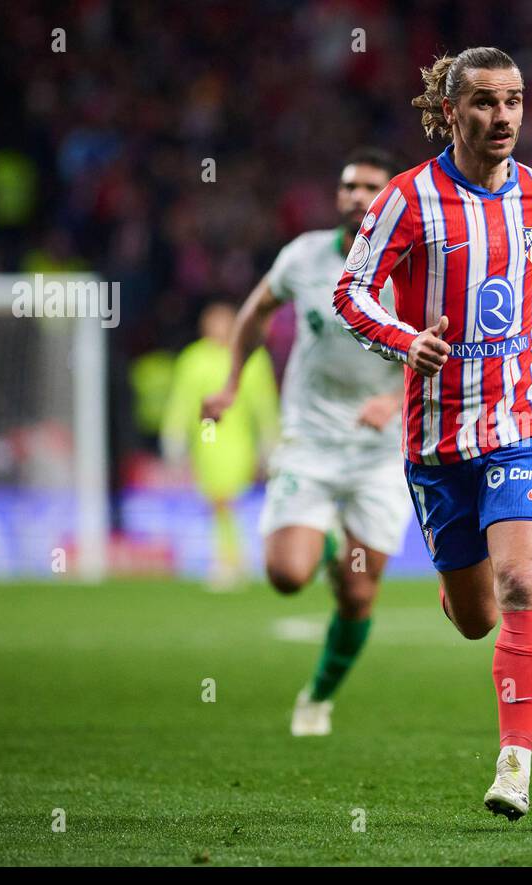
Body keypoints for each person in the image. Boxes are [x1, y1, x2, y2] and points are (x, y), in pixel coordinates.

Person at [333, 48, 532, 819]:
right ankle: (458, 589)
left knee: (521, 584)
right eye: (483, 103)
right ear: (449, 111)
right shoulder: (408, 200)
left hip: (524, 421)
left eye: (513, 101)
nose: (502, 116)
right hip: (438, 438)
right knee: (476, 617)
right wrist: (408, 342)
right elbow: (351, 292)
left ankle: (514, 766)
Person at [203, 149, 409, 736]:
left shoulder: (415, 267)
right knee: (288, 575)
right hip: (311, 439)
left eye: (371, 186)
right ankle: (321, 541)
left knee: (357, 593)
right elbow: (256, 311)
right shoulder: (304, 255)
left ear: (389, 198)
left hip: (380, 450)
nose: (357, 196)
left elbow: (443, 347)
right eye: (349, 185)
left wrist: (395, 399)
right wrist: (231, 383)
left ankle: (318, 694)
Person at [162, 301, 278, 590]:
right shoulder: (193, 359)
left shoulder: (250, 357)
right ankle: (233, 558)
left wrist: (270, 439)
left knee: (224, 499)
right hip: (207, 440)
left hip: (238, 440)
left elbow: (263, 403)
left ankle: (229, 561)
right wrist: (174, 436)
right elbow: (182, 401)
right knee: (218, 502)